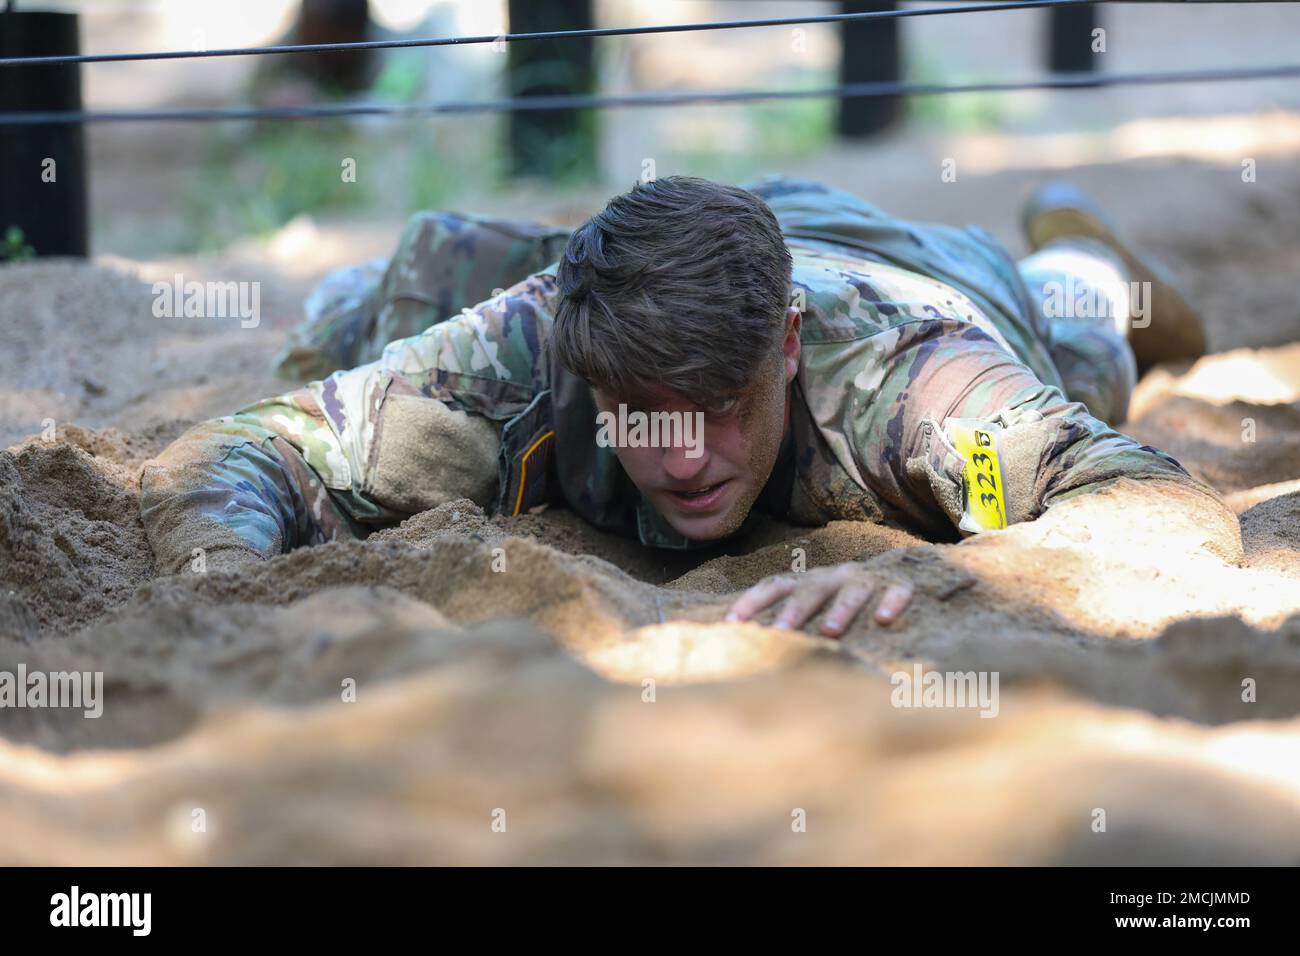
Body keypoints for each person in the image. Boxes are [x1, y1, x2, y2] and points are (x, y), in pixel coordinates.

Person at [139, 175, 1237, 636]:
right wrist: (221, 582)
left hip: (926, 268)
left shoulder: (918, 384)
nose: (686, 456)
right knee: (363, 313)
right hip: (708, 250)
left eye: (720, 404)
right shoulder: (530, 344)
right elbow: (244, 451)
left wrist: (935, 568)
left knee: (1085, 345)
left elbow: (1148, 498)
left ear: (788, 349)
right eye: (644, 413)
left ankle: (1079, 250)